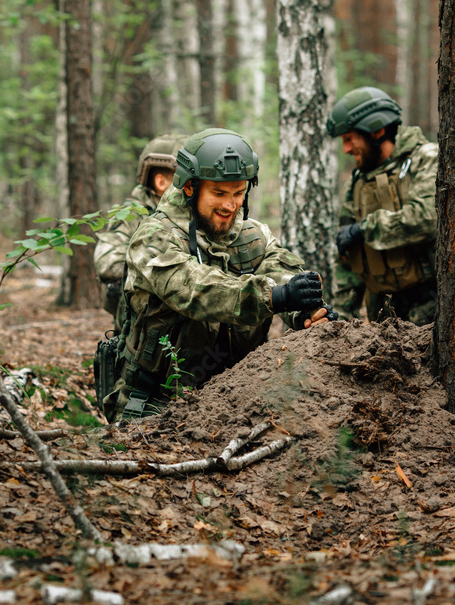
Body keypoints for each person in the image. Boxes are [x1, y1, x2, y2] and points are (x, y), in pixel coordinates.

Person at [100, 128, 335, 421]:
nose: (230, 205)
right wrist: (273, 297)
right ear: (189, 187)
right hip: (156, 402)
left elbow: (279, 268)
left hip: (238, 399)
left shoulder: (252, 235)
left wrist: (305, 311)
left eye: (239, 193)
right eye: (219, 193)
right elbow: (195, 289)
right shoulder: (153, 238)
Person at [326, 86, 440, 324]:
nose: (346, 149)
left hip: (433, 307)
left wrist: (364, 229)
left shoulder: (426, 159)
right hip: (383, 316)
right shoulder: (356, 183)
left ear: (376, 130)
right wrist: (340, 321)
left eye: (349, 139)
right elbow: (348, 259)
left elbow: (427, 218)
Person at [94, 133, 186, 330]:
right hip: (142, 325)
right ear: (161, 183)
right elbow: (107, 262)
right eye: (186, 179)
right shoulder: (130, 215)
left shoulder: (194, 215)